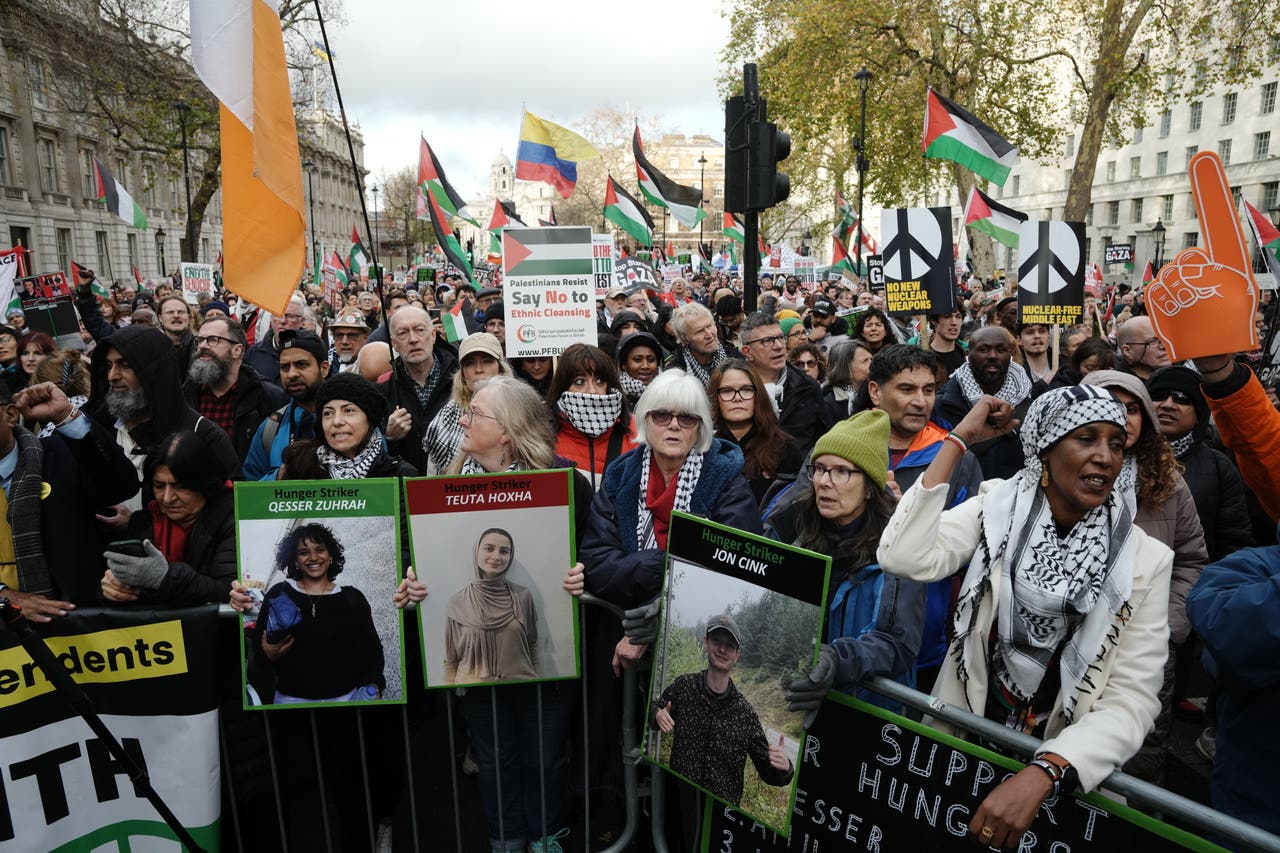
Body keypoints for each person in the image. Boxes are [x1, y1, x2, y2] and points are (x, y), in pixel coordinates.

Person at [879, 386, 1173, 849]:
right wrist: (958, 440)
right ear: (1046, 450)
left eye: (1116, 444)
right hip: (963, 748)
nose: (1105, 457)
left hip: (1063, 783)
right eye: (1086, 438)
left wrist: (1046, 771)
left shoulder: (1145, 561)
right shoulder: (995, 508)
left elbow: (1132, 700)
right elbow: (902, 556)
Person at [447, 374, 590, 853]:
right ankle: (505, 839)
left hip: (545, 655)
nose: (463, 420)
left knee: (545, 757)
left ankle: (545, 836)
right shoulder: (447, 490)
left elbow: (597, 551)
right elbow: (436, 563)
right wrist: (419, 583)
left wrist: (585, 574)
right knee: (494, 757)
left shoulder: (567, 485)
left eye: (475, 413)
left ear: (507, 431)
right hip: (479, 659)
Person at [1080, 370, 1207, 784]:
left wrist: (1165, 629)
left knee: (1138, 756)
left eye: (1132, 408)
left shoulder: (1169, 483)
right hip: (1070, 639)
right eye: (1108, 403)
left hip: (1141, 649)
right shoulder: (1054, 475)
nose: (1121, 416)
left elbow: (1191, 560)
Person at [771, 411, 925, 714]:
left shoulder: (898, 548)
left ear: (869, 487)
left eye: (842, 471)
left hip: (861, 711)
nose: (824, 482)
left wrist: (837, 660)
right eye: (820, 469)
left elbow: (897, 643)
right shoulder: (792, 527)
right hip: (796, 702)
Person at [0, 380, 138, 613]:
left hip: (76, 622)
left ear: (11, 415)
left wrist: (65, 416)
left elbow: (122, 486)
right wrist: (6, 598)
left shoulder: (62, 455)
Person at [89, 325, 241, 524]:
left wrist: (138, 525)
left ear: (153, 372)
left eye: (126, 365)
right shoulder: (100, 429)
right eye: (109, 366)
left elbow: (230, 511)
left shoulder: (203, 435)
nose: (113, 376)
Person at [651, 614, 794, 805]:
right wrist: (656, 714)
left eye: (730, 645)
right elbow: (653, 710)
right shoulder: (683, 687)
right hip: (677, 799)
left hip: (719, 813)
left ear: (737, 655)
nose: (722, 649)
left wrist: (785, 767)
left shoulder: (746, 715)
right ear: (706, 642)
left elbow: (769, 772)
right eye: (717, 640)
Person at [253, 523, 385, 703]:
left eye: (320, 549)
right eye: (304, 552)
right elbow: (258, 647)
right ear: (295, 560)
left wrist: (374, 685)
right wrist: (268, 654)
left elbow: (372, 650)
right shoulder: (280, 593)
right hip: (291, 700)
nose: (313, 557)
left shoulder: (353, 598)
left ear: (330, 556)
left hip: (346, 698)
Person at [100, 431, 235, 607]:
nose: (167, 498)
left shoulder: (233, 521)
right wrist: (112, 590)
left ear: (203, 483)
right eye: (159, 486)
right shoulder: (144, 523)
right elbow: (129, 591)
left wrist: (164, 577)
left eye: (179, 486)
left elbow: (229, 591)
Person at [933, 326, 1032, 479]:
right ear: (968, 354)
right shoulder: (942, 405)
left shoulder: (1027, 405)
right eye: (984, 350)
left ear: (1010, 354)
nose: (993, 356)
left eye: (1000, 350)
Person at [443, 528, 538, 683]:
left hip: (521, 686)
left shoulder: (522, 595)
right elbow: (451, 658)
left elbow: (532, 645)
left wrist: (538, 682)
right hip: (474, 689)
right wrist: (450, 687)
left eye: (504, 551)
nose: (496, 557)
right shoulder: (457, 601)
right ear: (476, 551)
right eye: (489, 549)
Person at [182, 317, 284, 460]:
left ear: (237, 350)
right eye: (200, 340)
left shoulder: (268, 397)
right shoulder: (186, 395)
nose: (203, 346)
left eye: (213, 340)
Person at [708, 359, 804, 504]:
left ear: (758, 395)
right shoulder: (706, 450)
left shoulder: (785, 448)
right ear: (716, 397)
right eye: (727, 391)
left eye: (746, 390)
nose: (737, 398)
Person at [379, 305, 459, 475]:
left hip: (454, 485)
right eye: (403, 333)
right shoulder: (382, 390)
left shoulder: (461, 381)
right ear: (394, 344)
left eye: (420, 330)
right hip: (406, 486)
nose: (413, 339)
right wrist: (389, 438)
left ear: (433, 335)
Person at [739, 312, 831, 456]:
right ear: (747, 351)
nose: (778, 346)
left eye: (781, 338)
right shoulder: (733, 389)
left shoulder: (807, 387)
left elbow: (822, 440)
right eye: (767, 341)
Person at [243, 330, 329, 480]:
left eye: (301, 364)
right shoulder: (270, 428)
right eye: (285, 367)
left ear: (324, 369)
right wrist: (279, 477)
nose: (292, 374)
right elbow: (251, 487)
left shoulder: (350, 422)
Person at [546, 343, 636, 487]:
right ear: (563, 388)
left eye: (599, 381)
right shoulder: (543, 435)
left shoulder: (634, 429)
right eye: (580, 382)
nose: (592, 390)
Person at [423, 332, 509, 474]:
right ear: (462, 373)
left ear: (500, 368)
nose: (479, 369)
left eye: (487, 361)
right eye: (470, 363)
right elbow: (433, 477)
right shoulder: (446, 417)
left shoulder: (519, 411)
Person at [664, 302, 741, 386]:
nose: (709, 335)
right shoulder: (674, 375)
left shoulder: (735, 357)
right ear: (684, 339)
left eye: (709, 326)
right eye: (699, 331)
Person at [821, 339, 871, 423]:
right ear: (846, 368)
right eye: (865, 361)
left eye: (872, 359)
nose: (872, 365)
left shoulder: (876, 394)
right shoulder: (829, 405)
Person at [1116, 315, 1170, 382]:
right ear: (1128, 351)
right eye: (1152, 342)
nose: (1164, 346)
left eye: (1165, 338)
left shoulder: (1179, 374)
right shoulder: (1119, 385)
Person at [616, 331, 662, 406]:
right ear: (624, 365)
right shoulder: (614, 399)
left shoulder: (669, 395)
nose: (645, 366)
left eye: (651, 360)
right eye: (637, 359)